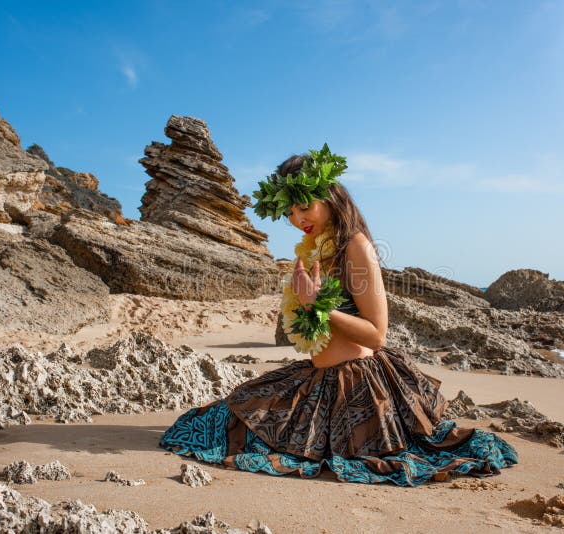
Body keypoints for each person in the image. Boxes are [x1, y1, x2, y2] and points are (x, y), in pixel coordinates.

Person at [159, 145, 517, 486]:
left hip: (358, 386)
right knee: (215, 420)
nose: (297, 219)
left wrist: (318, 305)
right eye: (290, 214)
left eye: (304, 207)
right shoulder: (317, 250)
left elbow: (377, 335)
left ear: (328, 195)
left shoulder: (355, 246)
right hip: (319, 379)